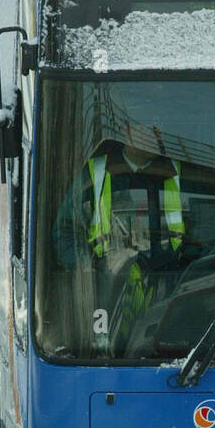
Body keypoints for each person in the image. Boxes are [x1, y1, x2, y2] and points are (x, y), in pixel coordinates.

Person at [51, 138, 186, 354]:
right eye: (141, 121)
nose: (152, 131)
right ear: (125, 129)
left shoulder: (181, 173)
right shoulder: (95, 172)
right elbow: (66, 231)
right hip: (109, 294)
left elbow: (208, 233)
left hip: (170, 294)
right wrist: (86, 267)